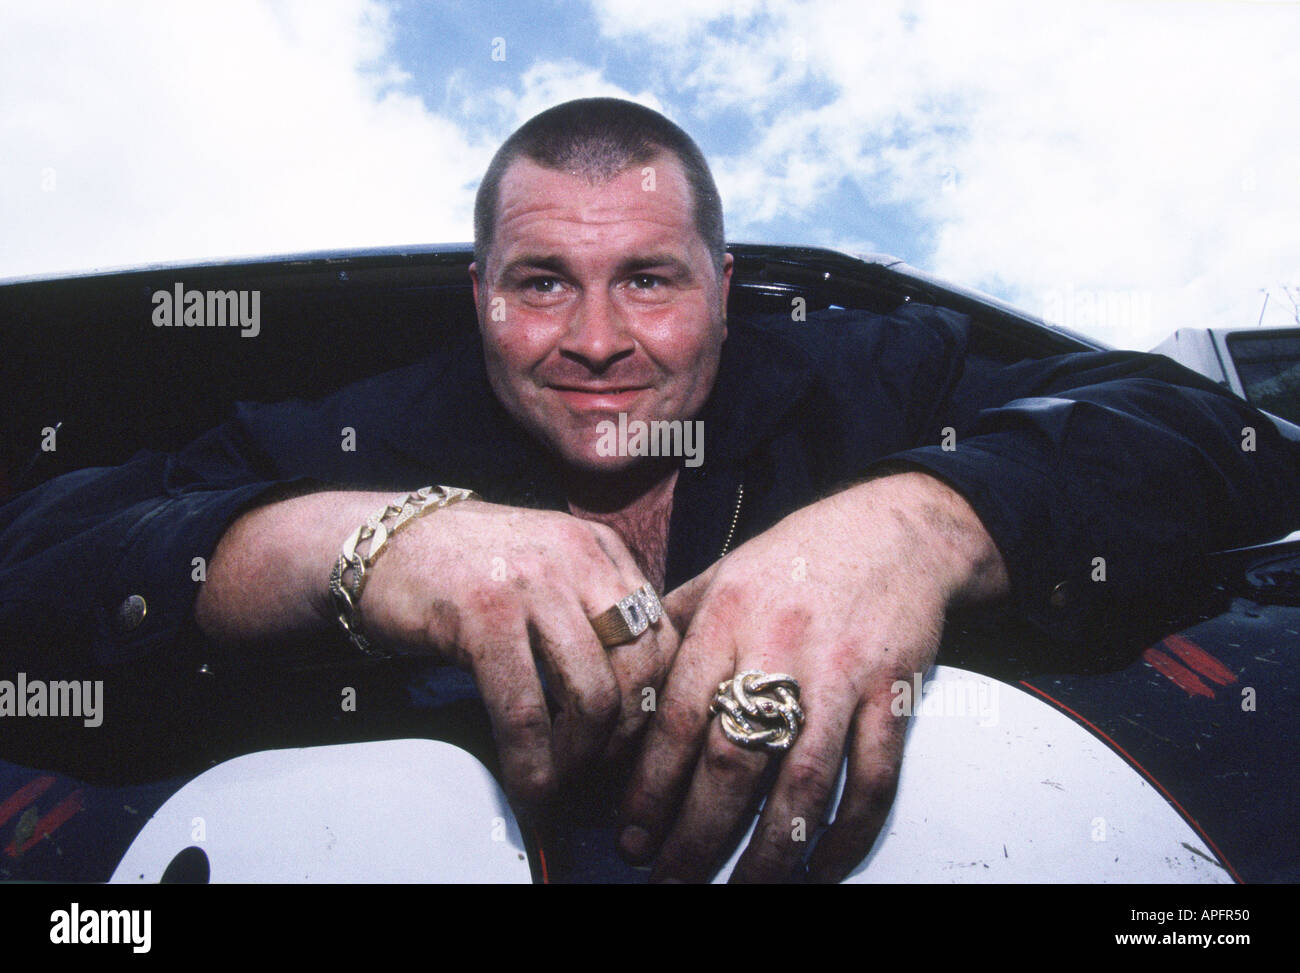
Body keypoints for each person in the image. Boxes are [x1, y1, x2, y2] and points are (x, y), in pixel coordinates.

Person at [2, 98, 1297, 883]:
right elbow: (39, 572)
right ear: (480, 299)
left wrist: (926, 520)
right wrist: (351, 543)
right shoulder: (347, 428)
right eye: (543, 281)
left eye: (653, 279)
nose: (600, 337)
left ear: (724, 291)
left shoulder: (874, 373)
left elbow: (1202, 435)